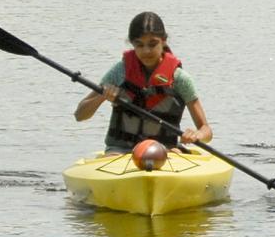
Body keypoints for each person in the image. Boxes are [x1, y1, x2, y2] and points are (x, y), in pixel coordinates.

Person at [73, 11, 212, 153]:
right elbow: (80, 115)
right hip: (121, 150)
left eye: (152, 44)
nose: (146, 51)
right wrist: (102, 96)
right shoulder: (119, 72)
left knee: (174, 153)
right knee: (114, 156)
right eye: (139, 45)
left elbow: (206, 131)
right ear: (132, 44)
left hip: (164, 151)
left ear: (163, 41)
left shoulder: (180, 79)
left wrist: (197, 135)